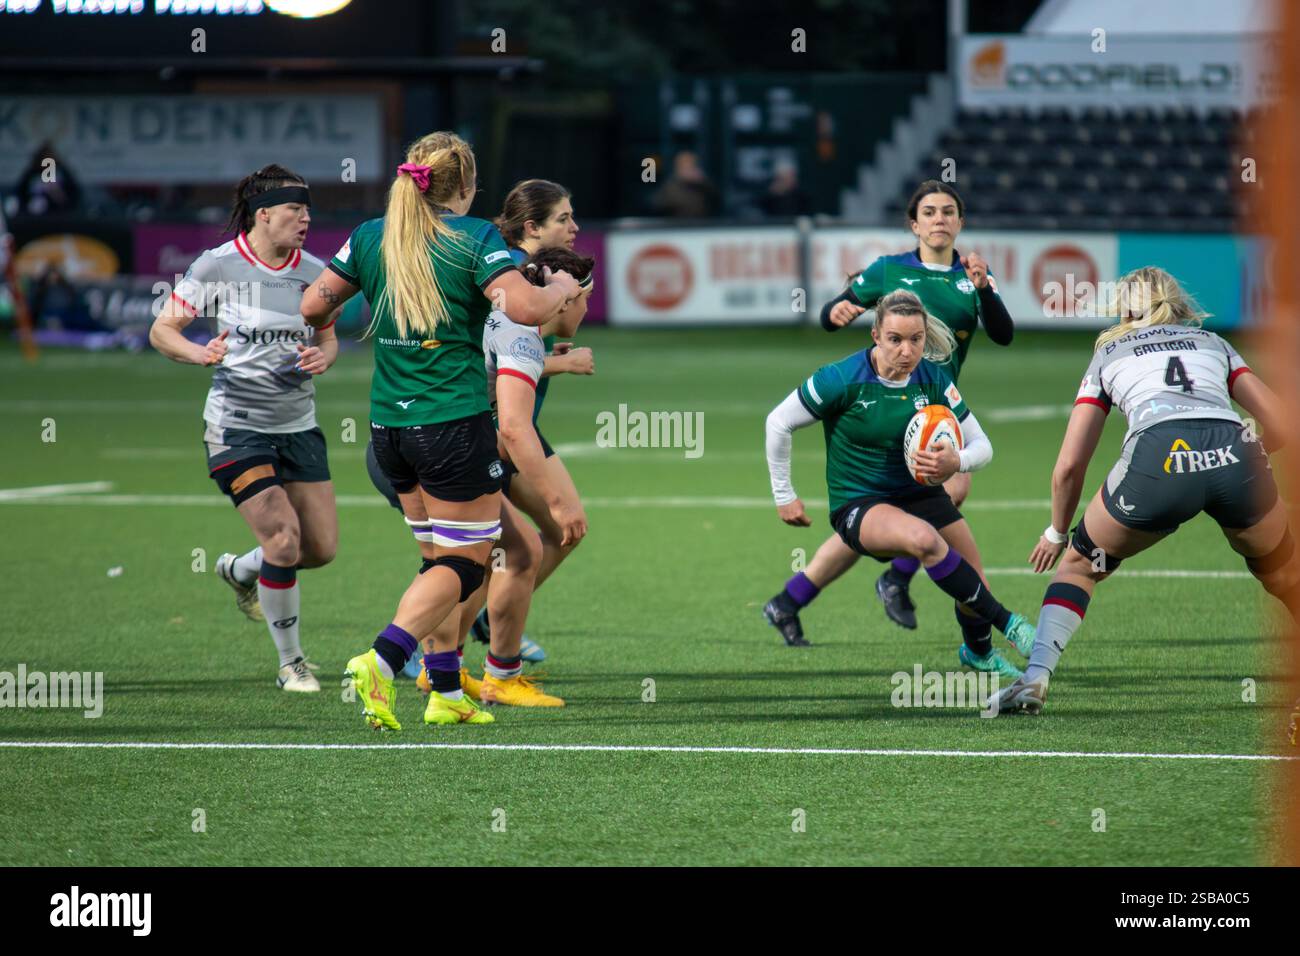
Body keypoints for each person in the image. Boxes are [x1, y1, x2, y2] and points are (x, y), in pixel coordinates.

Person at [301, 132, 580, 730]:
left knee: (437, 561)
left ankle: (446, 691)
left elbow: (312, 306)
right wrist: (560, 287)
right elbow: (525, 309)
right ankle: (382, 660)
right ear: (467, 185)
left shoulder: (371, 236)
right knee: (468, 565)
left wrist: (344, 318)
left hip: (388, 427)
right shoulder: (473, 237)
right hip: (451, 424)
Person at [991, 267, 1298, 714]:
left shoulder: (1109, 352)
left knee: (1081, 566)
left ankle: (1035, 678)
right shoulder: (1213, 343)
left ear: (1124, 309)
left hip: (1160, 461)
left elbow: (1070, 466)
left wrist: (1057, 532)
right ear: (1176, 304)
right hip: (1236, 455)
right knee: (1283, 573)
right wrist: (1242, 456)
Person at [763, 180, 1014, 645]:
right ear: (913, 224)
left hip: (932, 405)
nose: (939, 219)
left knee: (901, 510)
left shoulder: (973, 273)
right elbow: (831, 314)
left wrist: (986, 291)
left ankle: (795, 599)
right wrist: (835, 313)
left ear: (960, 222)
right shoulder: (887, 270)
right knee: (910, 504)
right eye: (929, 212)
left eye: (948, 211)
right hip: (884, 408)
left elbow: (1004, 334)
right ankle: (896, 578)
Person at [765, 289, 1035, 678]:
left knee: (974, 580)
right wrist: (784, 495)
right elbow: (778, 422)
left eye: (916, 339)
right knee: (925, 540)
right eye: (895, 339)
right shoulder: (841, 379)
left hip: (920, 494)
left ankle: (978, 653)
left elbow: (983, 446)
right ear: (875, 335)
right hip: (860, 503)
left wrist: (956, 461)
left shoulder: (933, 378)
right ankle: (1010, 623)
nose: (906, 351)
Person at [149, 164, 337, 693]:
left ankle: (241, 569)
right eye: (295, 210)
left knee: (319, 549)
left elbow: (327, 338)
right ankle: (291, 664)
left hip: (299, 426)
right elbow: (163, 329)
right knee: (283, 538)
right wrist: (197, 352)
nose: (306, 219)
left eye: (308, 210)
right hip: (236, 427)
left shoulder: (316, 272)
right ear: (264, 214)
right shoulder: (218, 265)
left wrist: (323, 357)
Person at [458, 179, 594, 661]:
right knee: (482, 553)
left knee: (550, 536)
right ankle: (431, 647)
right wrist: (562, 362)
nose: (574, 227)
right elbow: (492, 353)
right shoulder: (510, 275)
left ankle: (485, 623)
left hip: (513, 428)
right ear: (532, 227)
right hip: (487, 431)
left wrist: (551, 355)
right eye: (563, 218)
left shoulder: (543, 275)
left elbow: (512, 351)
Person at [652, 151, 721, 218]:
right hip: (677, 223)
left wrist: (703, 183)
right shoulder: (670, 187)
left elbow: (716, 202)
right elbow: (657, 205)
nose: (688, 168)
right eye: (685, 165)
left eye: (691, 165)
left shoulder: (702, 185)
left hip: (701, 223)